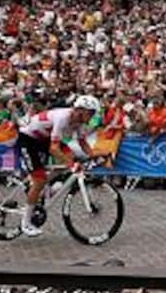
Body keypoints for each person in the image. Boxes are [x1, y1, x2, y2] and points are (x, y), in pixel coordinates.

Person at [14, 95, 103, 237]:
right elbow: (53, 149)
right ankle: (26, 222)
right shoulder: (63, 117)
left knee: (70, 154)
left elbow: (83, 143)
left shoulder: (79, 122)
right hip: (28, 139)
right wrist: (71, 164)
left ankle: (46, 189)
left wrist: (95, 156)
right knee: (39, 180)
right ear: (80, 110)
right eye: (90, 113)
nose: (92, 116)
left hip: (44, 138)